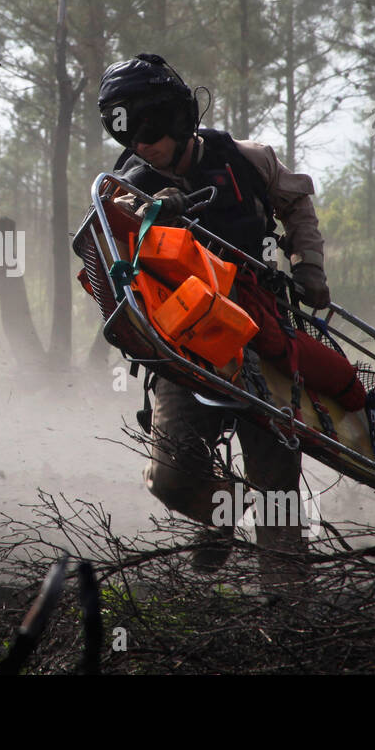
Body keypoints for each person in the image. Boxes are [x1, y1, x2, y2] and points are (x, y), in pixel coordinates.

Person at [97, 53, 330, 588]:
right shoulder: (126, 188)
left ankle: (288, 604)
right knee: (173, 479)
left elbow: (297, 203)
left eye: (148, 129)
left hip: (262, 335)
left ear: (180, 118)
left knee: (275, 480)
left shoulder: (247, 160)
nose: (140, 145)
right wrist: (152, 213)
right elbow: (112, 256)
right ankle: (220, 512)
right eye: (126, 133)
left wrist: (309, 265)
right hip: (182, 348)